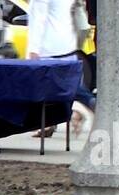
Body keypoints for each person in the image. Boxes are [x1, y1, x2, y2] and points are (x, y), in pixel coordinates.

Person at [27, 0, 95, 134]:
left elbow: (38, 19)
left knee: (46, 89)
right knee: (67, 86)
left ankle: (88, 102)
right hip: (68, 45)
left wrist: (33, 49)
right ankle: (78, 109)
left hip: (48, 48)